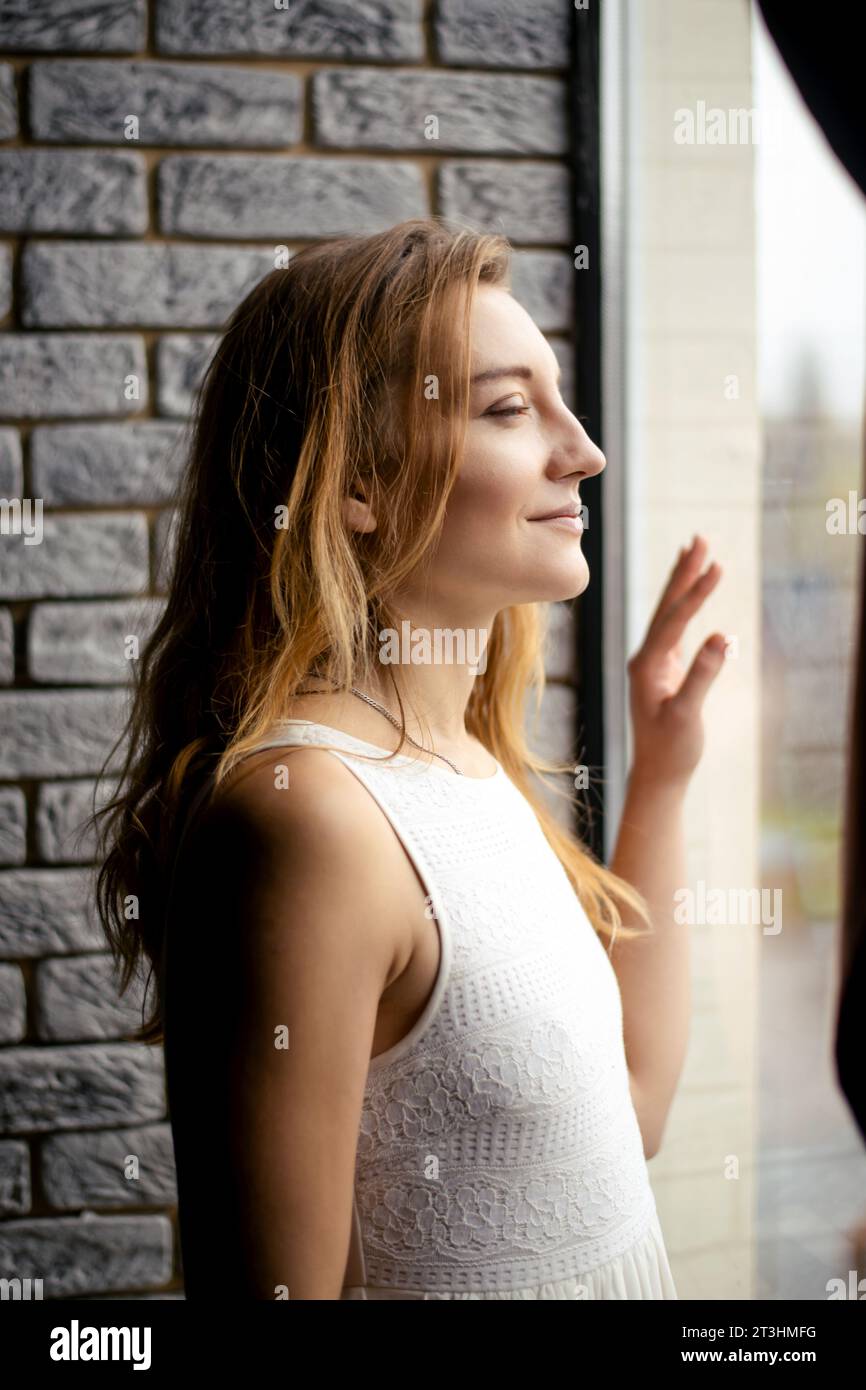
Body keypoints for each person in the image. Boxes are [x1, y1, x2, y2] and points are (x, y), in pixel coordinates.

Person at [91, 218, 726, 1299]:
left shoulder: (462, 767)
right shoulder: (307, 820)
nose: (583, 451)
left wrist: (658, 771)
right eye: (507, 408)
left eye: (556, 398)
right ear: (355, 483)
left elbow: (635, 1107)